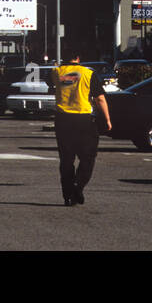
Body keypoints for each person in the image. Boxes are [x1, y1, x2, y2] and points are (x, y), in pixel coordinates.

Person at [51, 47, 111, 206]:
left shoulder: (56, 72)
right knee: (88, 157)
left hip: (63, 119)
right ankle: (78, 185)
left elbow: (52, 85)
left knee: (66, 159)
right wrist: (107, 119)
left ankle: (67, 194)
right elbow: (100, 99)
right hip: (83, 120)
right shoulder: (88, 74)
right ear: (78, 58)